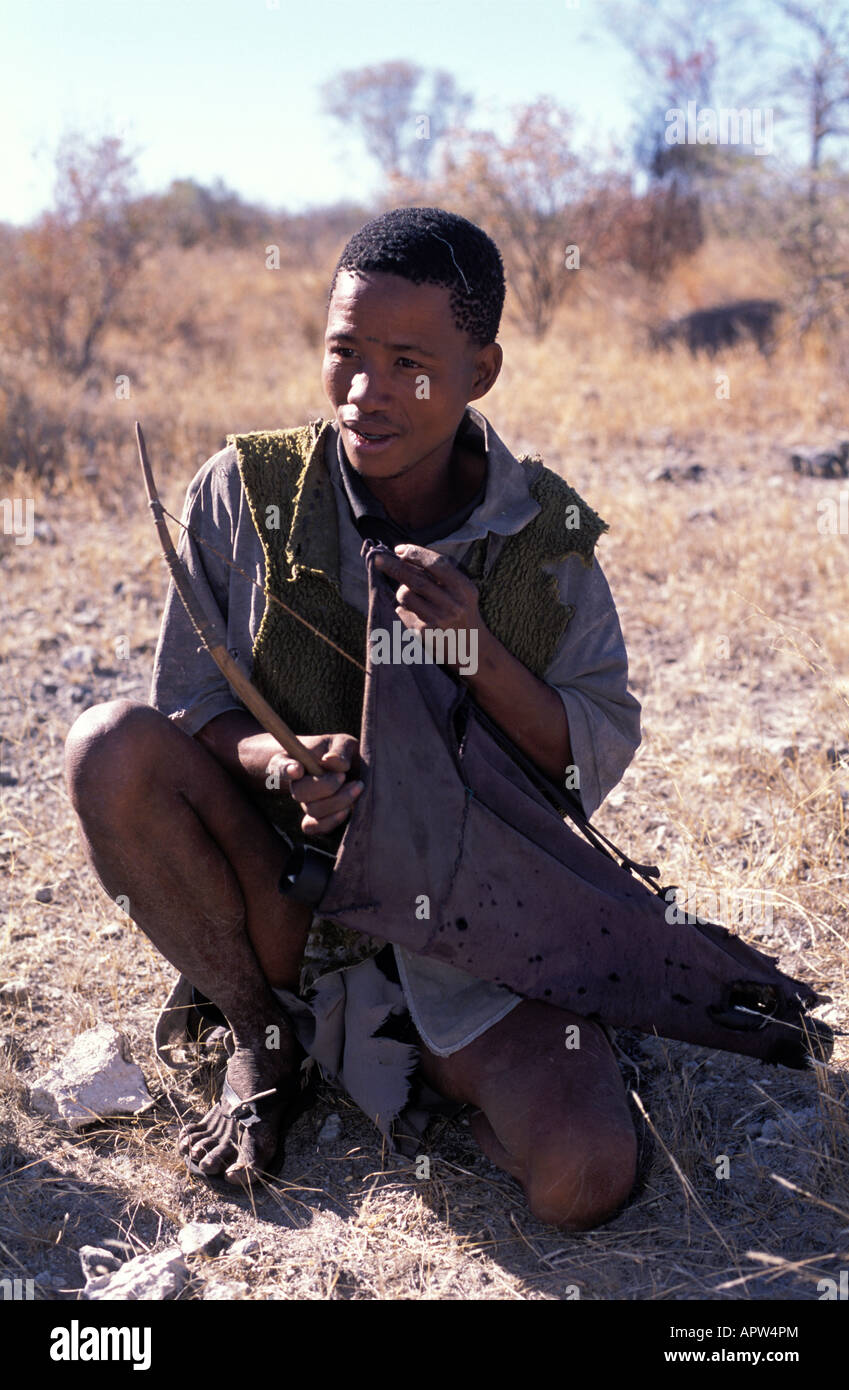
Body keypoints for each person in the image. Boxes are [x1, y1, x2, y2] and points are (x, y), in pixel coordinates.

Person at [65, 207, 643, 1231]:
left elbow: (584, 760)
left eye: (410, 362)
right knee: (108, 747)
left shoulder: (544, 533)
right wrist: (281, 766)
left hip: (472, 930)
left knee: (585, 1176)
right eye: (345, 353)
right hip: (286, 897)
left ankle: (417, 1063)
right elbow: (192, 712)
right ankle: (264, 1031)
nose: (367, 392)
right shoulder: (246, 490)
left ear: (482, 369)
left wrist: (477, 652)